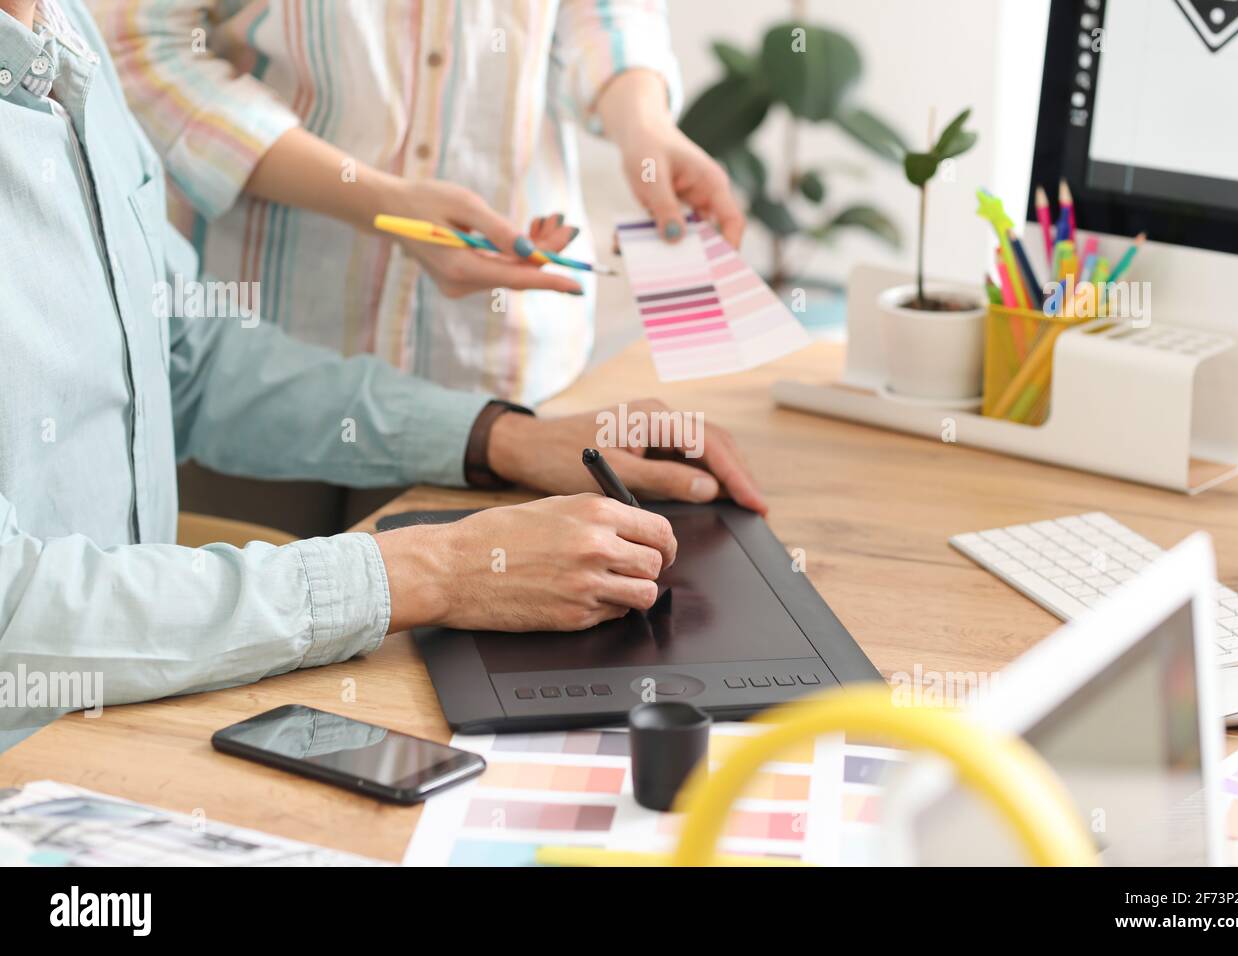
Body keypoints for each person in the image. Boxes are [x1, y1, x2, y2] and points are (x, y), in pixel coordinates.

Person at [0, 0, 764, 749]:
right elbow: (14, 619)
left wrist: (499, 439)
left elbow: (184, 356)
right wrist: (433, 571)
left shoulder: (65, 44)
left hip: (114, 735)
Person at [87, 0, 746, 404]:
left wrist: (644, 127)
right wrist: (377, 200)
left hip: (501, 363)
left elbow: (603, 7)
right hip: (265, 362)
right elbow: (136, 44)